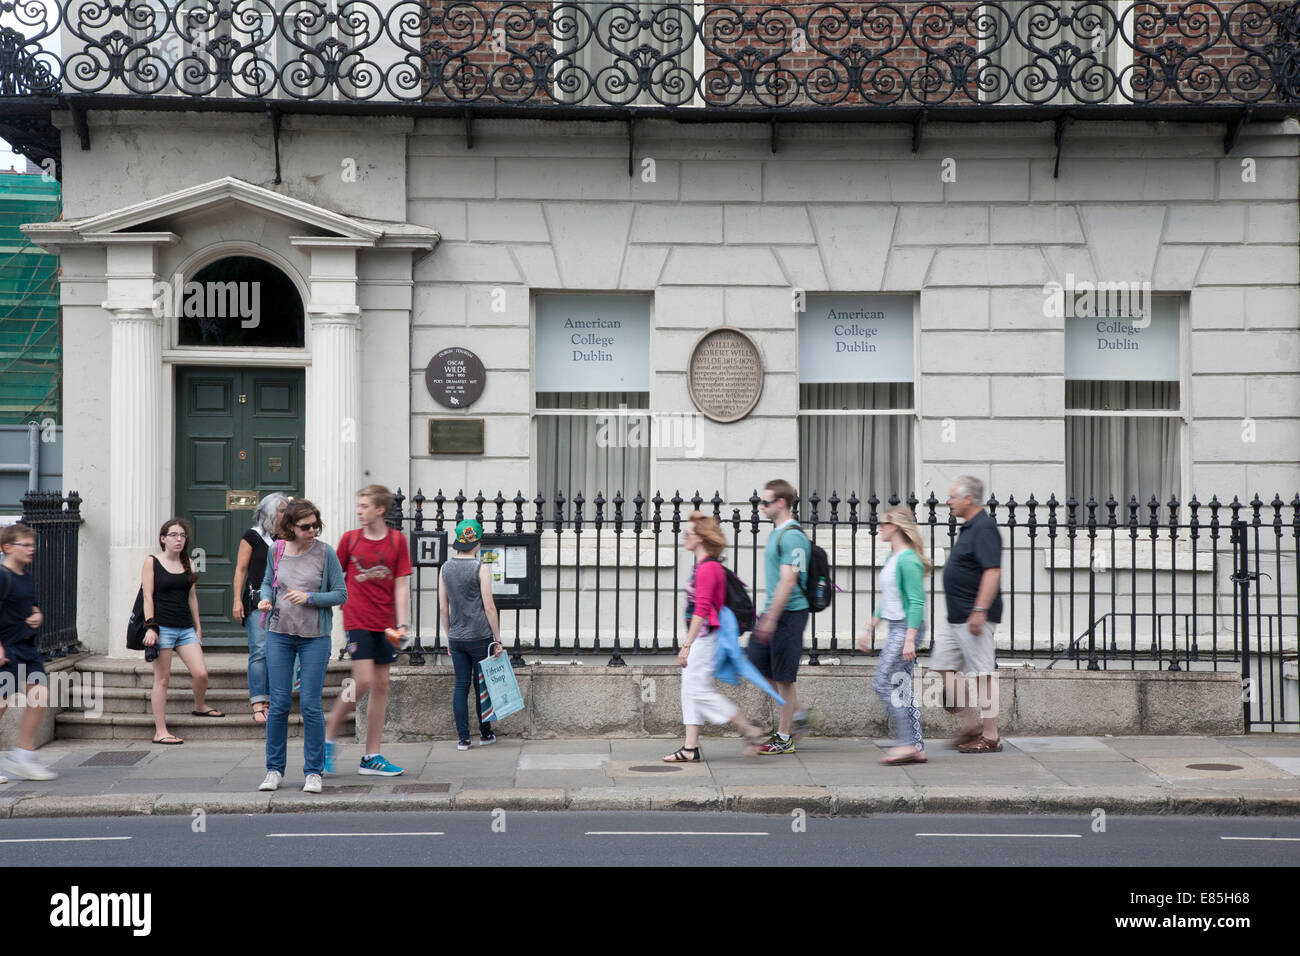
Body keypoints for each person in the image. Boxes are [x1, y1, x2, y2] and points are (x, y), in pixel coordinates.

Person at [255, 499, 347, 793]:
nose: (312, 531)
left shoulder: (325, 553)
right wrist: (265, 598)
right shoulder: (276, 550)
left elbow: (340, 594)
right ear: (290, 527)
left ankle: (313, 772)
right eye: (306, 526)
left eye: (316, 525)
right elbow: (269, 582)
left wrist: (309, 598)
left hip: (314, 637)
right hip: (279, 632)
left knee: (310, 705)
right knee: (279, 705)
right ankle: (274, 770)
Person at [663, 512, 766, 762]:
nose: (684, 537)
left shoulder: (708, 569)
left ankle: (747, 728)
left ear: (701, 538)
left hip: (706, 639)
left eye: (688, 533)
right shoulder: (703, 566)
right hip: (703, 637)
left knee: (699, 691)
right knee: (690, 690)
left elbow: (702, 609)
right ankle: (690, 748)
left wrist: (686, 645)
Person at [323, 485, 411, 776]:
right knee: (361, 681)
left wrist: (402, 623)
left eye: (364, 506)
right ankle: (327, 737)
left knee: (382, 685)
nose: (359, 511)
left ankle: (371, 755)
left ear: (380, 510)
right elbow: (335, 577)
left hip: (385, 624)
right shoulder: (350, 540)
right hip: (358, 618)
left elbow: (400, 584)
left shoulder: (397, 541)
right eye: (358, 505)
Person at [748, 479, 819, 755]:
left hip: (788, 614)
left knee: (784, 677)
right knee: (757, 664)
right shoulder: (777, 533)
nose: (761, 507)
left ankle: (784, 736)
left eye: (765, 502)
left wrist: (770, 618)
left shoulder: (792, 536)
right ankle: (799, 714)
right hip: (774, 612)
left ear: (781, 503)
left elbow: (789, 581)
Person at [933, 476, 1003, 753]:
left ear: (968, 499)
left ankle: (991, 736)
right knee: (943, 665)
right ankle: (971, 725)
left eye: (952, 497)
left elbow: (992, 571)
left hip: (974, 616)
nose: (948, 502)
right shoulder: (970, 528)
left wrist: (979, 610)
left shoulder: (984, 527)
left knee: (983, 674)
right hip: (956, 617)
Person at [858, 505, 930, 765]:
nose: (880, 527)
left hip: (906, 628)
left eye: (884, 523)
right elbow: (890, 597)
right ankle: (917, 745)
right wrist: (871, 627)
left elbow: (916, 601)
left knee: (882, 682)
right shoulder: (894, 556)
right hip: (898, 626)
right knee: (902, 686)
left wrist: (910, 639)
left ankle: (906, 744)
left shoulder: (908, 559)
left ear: (896, 526)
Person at [141, 518, 223, 745]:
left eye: (182, 536)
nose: (179, 539)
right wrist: (151, 626)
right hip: (162, 628)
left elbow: (192, 597)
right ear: (163, 538)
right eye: (174, 535)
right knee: (163, 679)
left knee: (201, 673)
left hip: (185, 627)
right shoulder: (152, 562)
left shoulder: (188, 562)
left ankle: (199, 705)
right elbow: (147, 596)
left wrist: (198, 627)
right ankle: (161, 731)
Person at [438, 519, 502, 751]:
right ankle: (485, 734)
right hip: (480, 637)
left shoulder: (445, 568)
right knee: (481, 686)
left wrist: (449, 636)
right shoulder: (480, 568)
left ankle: (463, 739)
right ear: (477, 544)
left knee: (461, 686)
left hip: (457, 638)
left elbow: (443, 607)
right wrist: (497, 639)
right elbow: (489, 607)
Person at [0, 523, 57, 781]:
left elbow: (31, 605)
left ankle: (23, 756)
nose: (31, 549)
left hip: (27, 647)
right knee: (1, 704)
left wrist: (36, 614)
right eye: (25, 545)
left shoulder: (26, 575)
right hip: (6, 647)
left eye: (32, 544)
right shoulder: (2, 575)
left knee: (40, 695)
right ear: (7, 547)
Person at [232, 493, 289, 724]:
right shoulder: (252, 537)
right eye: (283, 510)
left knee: (279, 652)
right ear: (271, 513)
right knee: (259, 650)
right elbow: (240, 569)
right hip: (258, 601)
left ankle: (275, 701)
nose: (287, 513)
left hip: (285, 602)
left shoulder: (288, 537)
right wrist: (237, 600)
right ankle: (258, 702)